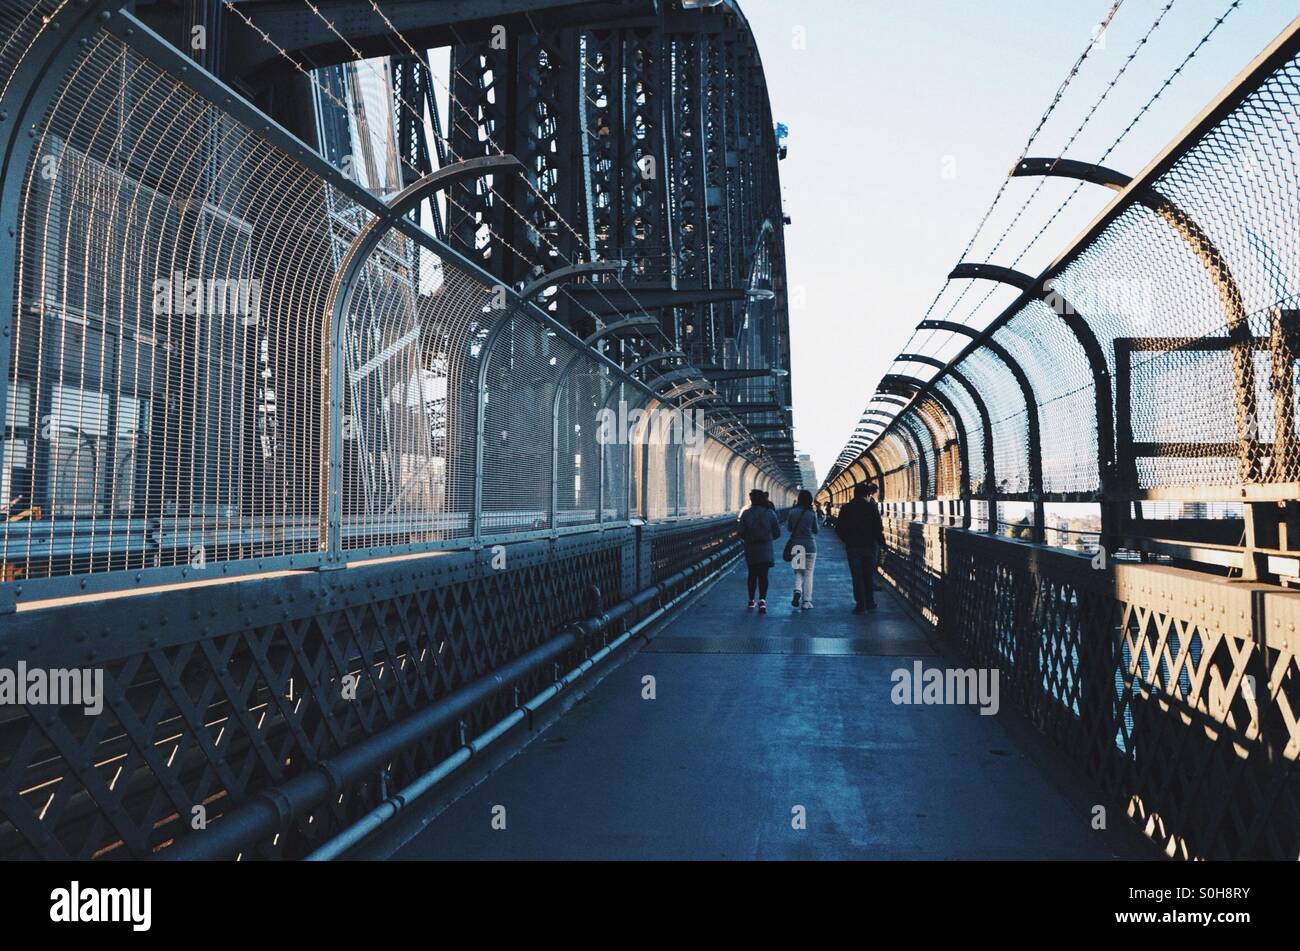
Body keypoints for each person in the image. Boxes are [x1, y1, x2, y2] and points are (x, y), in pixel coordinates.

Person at [835, 483, 885, 613]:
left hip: (853, 546)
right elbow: (879, 528)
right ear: (867, 494)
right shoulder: (871, 508)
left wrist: (847, 540)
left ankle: (860, 604)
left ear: (854, 493)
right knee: (868, 574)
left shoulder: (846, 508)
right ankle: (870, 602)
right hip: (869, 546)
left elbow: (839, 528)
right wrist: (880, 543)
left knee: (857, 576)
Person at [738, 488, 781, 613]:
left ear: (752, 499)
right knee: (763, 576)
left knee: (752, 574)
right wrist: (767, 538)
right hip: (766, 549)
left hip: (751, 548)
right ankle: (762, 601)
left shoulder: (746, 514)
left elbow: (740, 532)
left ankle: (751, 601)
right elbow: (777, 533)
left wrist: (749, 538)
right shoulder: (770, 513)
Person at [786, 489, 819, 609]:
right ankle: (806, 602)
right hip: (810, 546)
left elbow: (789, 528)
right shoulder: (812, 513)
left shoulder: (792, 512)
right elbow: (816, 530)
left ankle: (797, 590)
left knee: (799, 572)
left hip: (796, 546)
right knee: (808, 574)